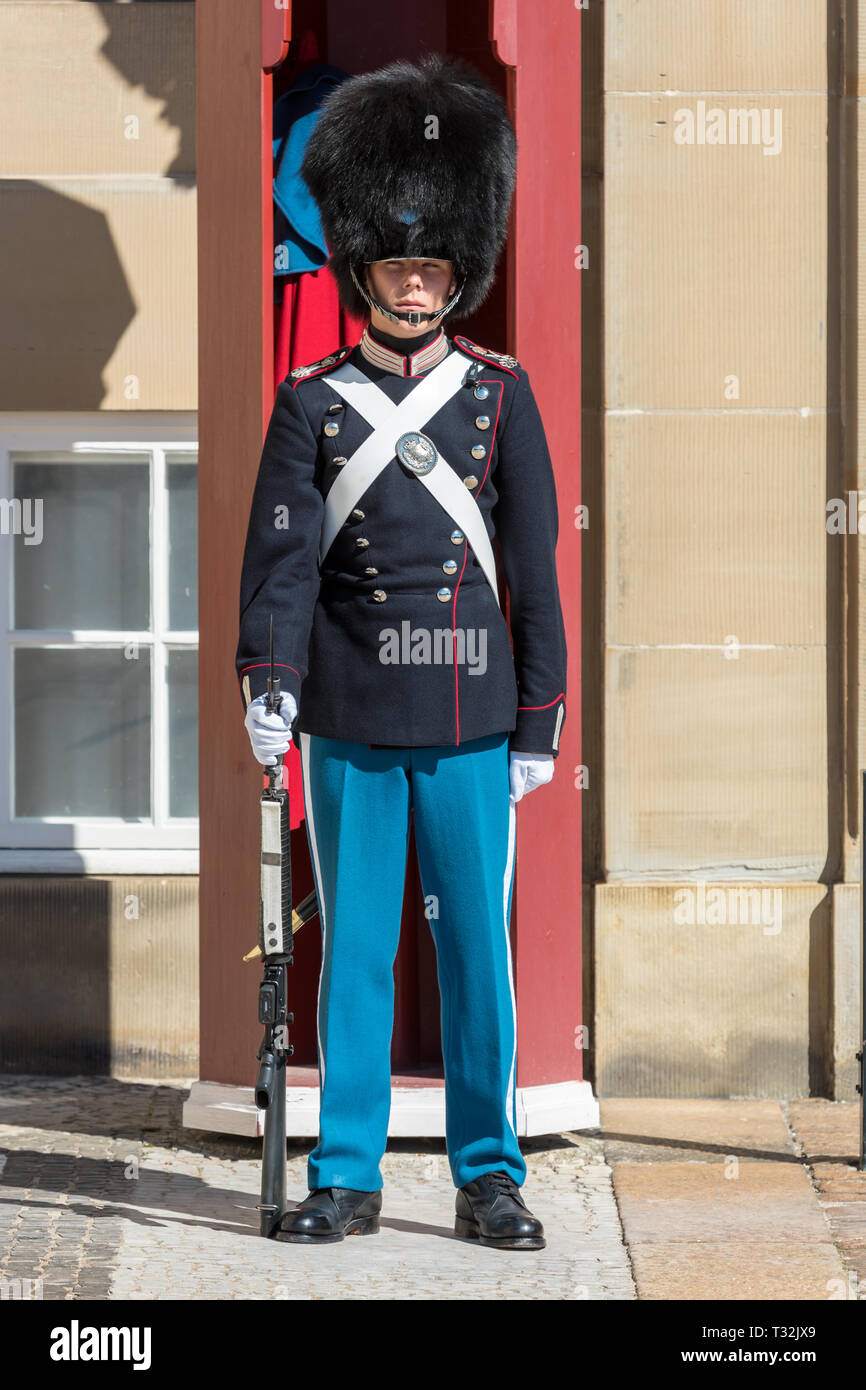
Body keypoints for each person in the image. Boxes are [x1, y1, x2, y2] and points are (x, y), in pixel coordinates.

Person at [235, 54, 567, 1250]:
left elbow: (530, 564)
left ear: (456, 272)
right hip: (353, 715)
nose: (417, 281)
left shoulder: (496, 395)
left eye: (434, 264)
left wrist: (540, 719)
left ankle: (489, 1173)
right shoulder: (310, 402)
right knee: (357, 957)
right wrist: (266, 687)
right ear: (364, 269)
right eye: (396, 262)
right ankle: (347, 1172)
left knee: (478, 955)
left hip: (474, 717)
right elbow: (279, 562)